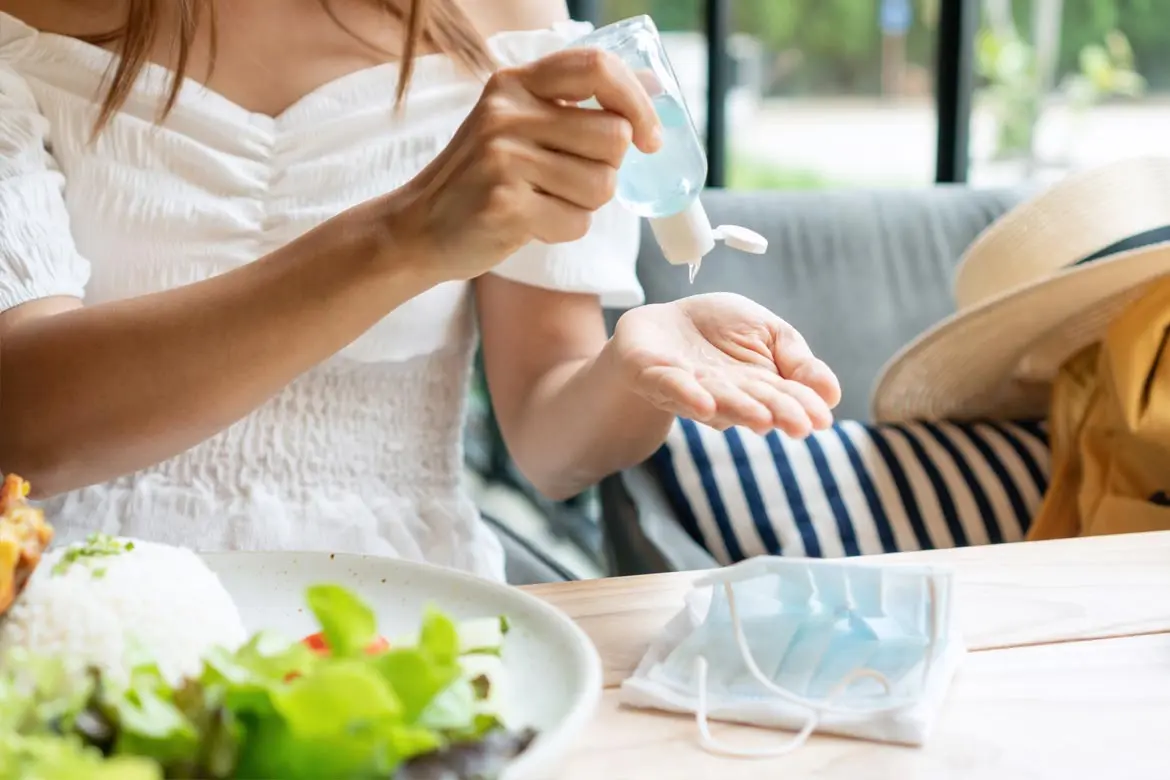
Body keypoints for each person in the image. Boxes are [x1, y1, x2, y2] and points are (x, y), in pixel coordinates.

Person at [0, 0, 840, 581]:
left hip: (411, 612)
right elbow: (24, 421)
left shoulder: (509, 21)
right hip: (76, 607)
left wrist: (630, 370)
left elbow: (551, 444)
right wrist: (406, 235)